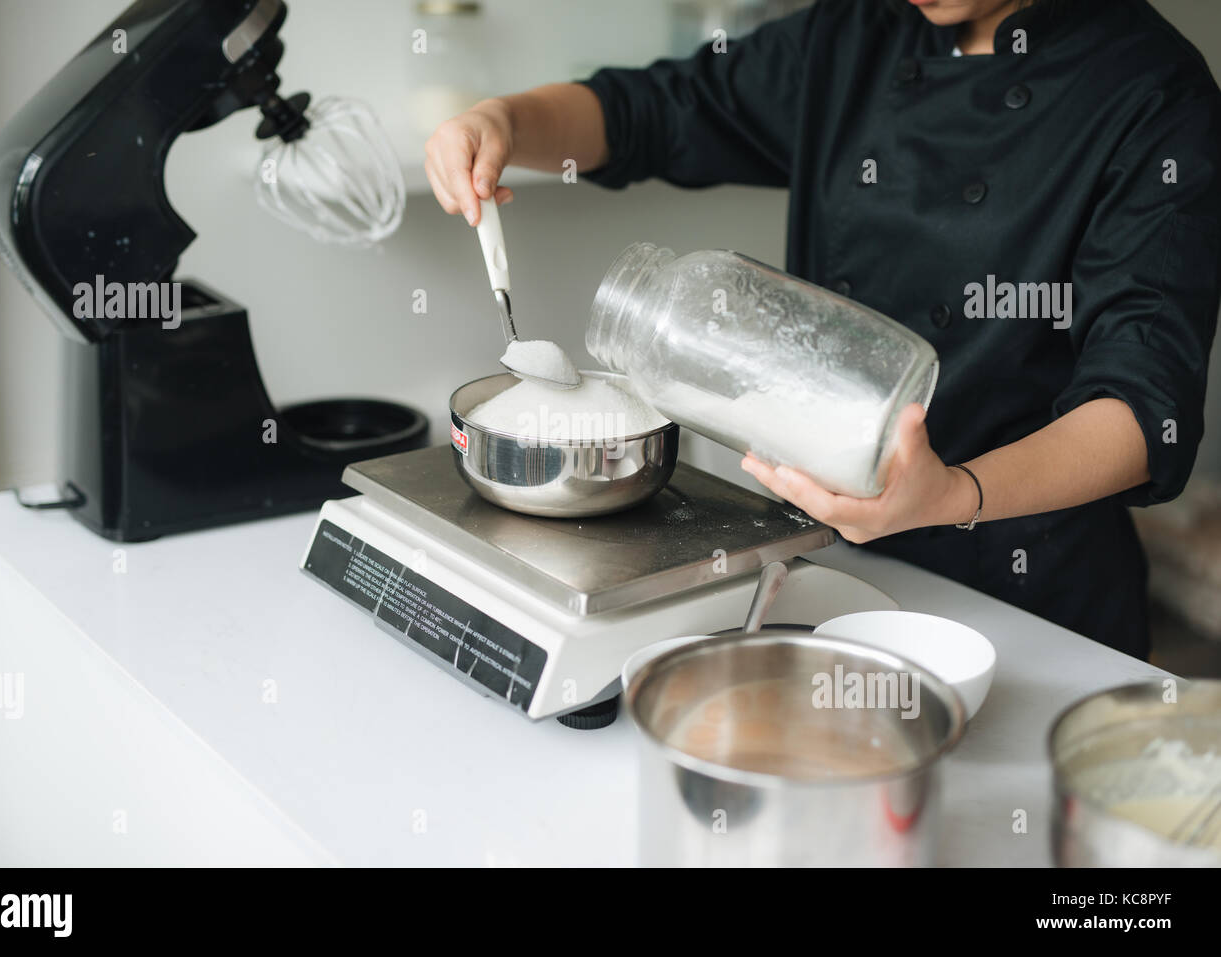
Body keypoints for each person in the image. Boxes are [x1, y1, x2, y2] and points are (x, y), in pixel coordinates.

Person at [424, 0, 1221, 659]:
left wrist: (956, 493)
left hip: (1030, 589)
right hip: (830, 564)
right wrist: (505, 122)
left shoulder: (1152, 94)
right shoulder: (857, 33)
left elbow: (1143, 405)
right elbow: (659, 109)